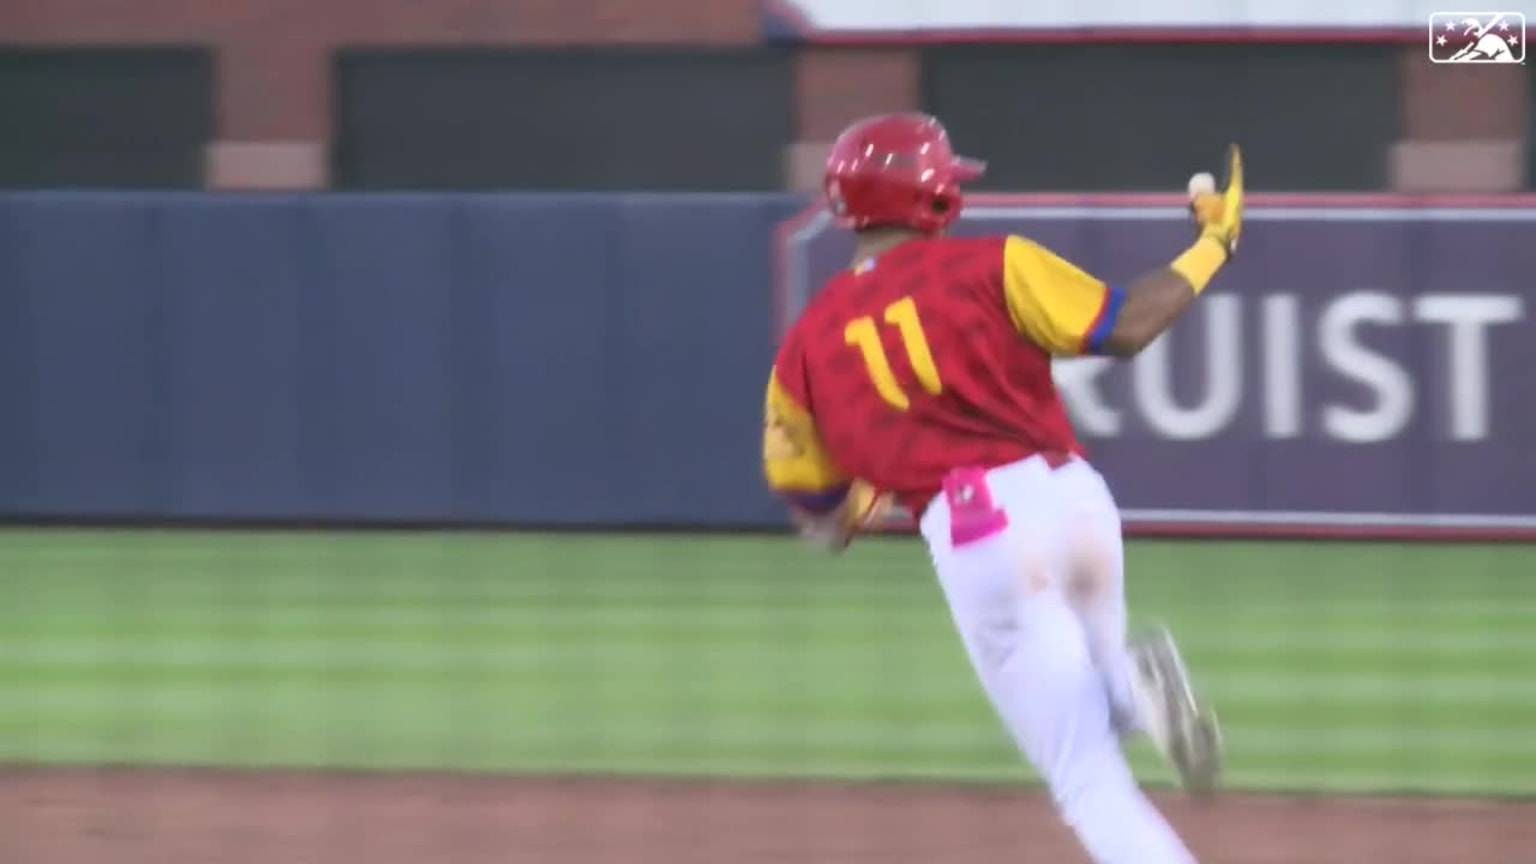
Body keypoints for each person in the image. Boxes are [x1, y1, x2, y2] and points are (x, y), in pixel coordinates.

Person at [761, 112, 1242, 863]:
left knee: (1085, 776)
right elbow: (1126, 326)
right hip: (1075, 500)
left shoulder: (806, 346)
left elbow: (818, 514)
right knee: (1093, 696)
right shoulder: (998, 263)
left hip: (977, 532)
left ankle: (1132, 693)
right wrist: (1215, 244)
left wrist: (865, 494)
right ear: (931, 198)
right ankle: (1134, 688)